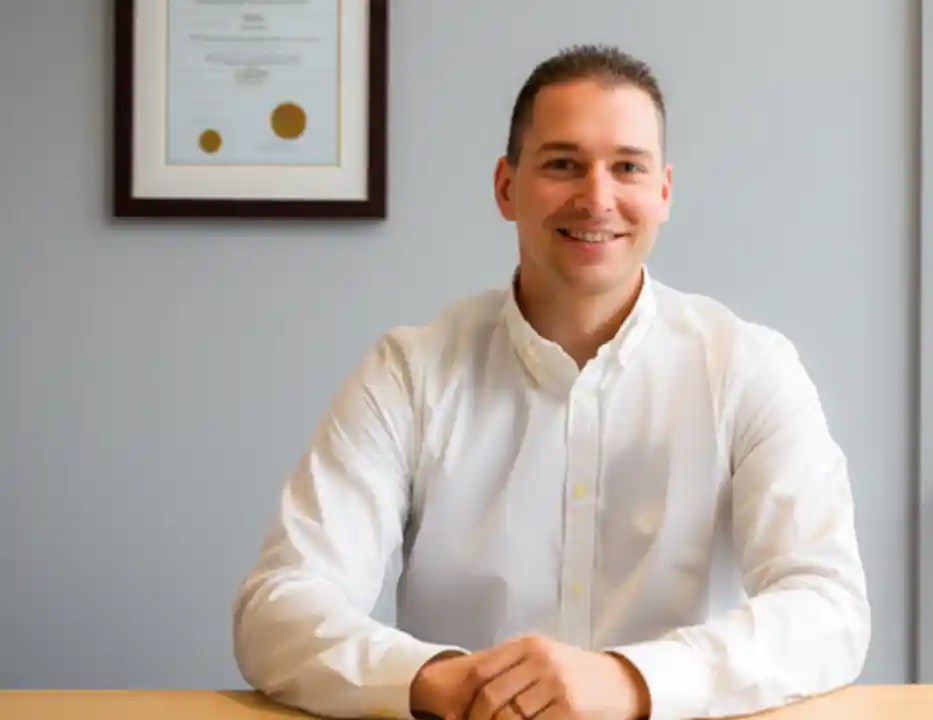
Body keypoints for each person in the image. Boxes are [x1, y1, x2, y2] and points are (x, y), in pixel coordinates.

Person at [232, 44, 870, 720]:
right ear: (506, 187)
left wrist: (631, 681)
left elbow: (826, 607)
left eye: (627, 167)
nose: (596, 198)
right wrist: (441, 679)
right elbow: (280, 607)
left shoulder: (748, 368)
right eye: (563, 164)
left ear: (663, 192)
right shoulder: (409, 373)